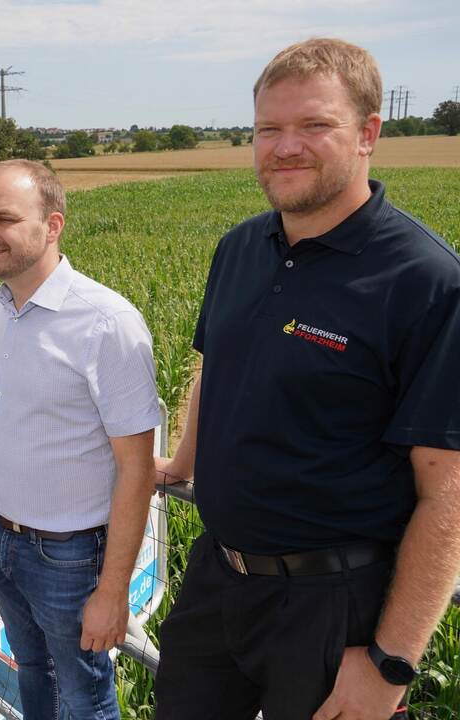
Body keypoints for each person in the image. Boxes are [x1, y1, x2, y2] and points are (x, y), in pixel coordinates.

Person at [153, 38, 460, 720]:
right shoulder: (239, 247)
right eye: (268, 130)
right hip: (216, 581)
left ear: (367, 135)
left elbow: (449, 492)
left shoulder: (425, 281)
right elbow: (216, 367)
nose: (285, 147)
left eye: (314, 126)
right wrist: (179, 463)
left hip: (333, 608)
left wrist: (391, 661)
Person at [0, 159, 160, 719]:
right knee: (34, 673)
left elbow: (137, 467)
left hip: (69, 557)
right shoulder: (2, 308)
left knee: (84, 696)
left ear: (53, 226)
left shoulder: (106, 323)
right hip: (4, 541)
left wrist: (113, 590)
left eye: (4, 218)